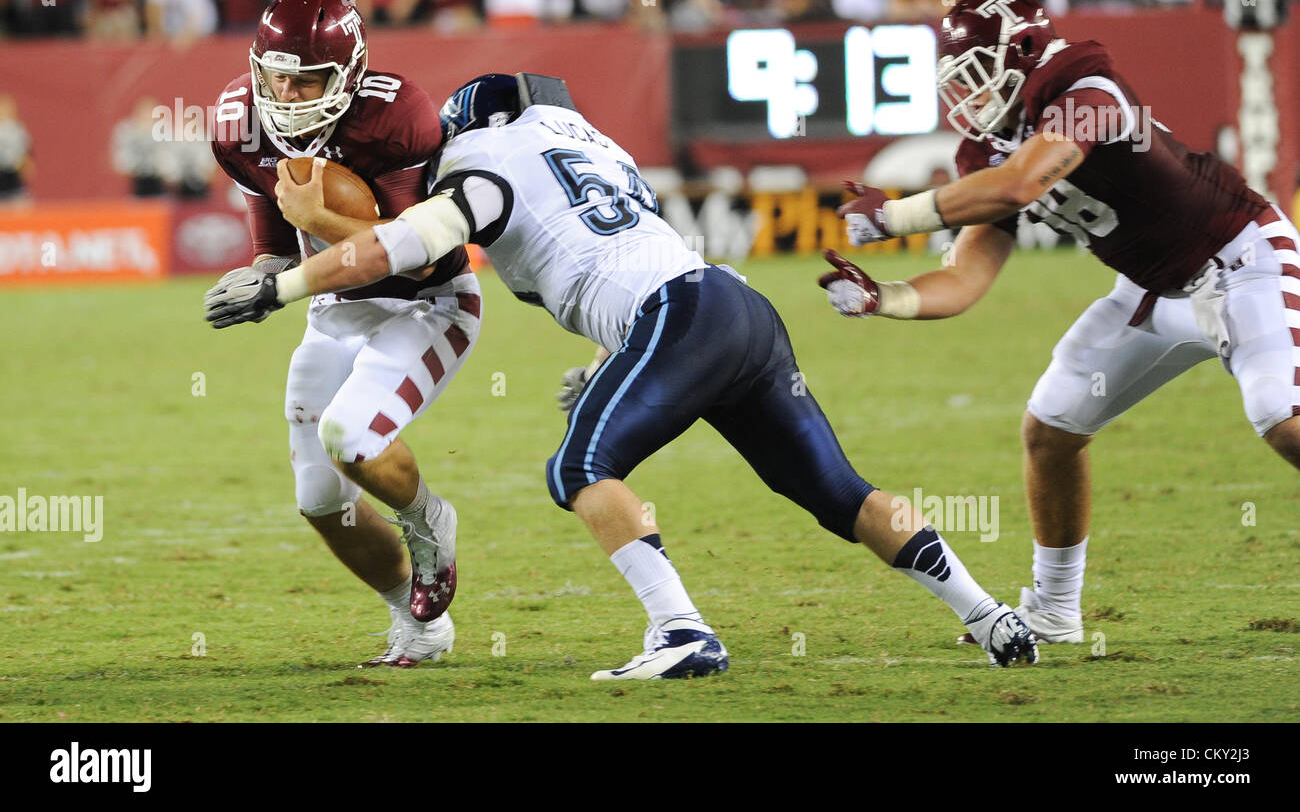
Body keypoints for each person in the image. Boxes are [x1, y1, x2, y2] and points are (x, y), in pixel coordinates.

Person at [204, 71, 1039, 677]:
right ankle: (990, 613)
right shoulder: (597, 150)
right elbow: (619, 254)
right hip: (738, 312)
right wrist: (615, 353)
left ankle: (680, 630)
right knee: (837, 492)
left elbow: (397, 246)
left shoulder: (479, 166)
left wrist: (276, 283)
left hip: (676, 318)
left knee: (578, 468)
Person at [818, 0, 1296, 646]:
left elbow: (1024, 182)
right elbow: (965, 277)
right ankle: (1052, 609)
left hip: (1240, 257)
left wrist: (893, 216)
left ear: (1020, 50)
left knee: (1281, 418)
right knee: (1051, 428)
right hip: (1155, 287)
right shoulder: (991, 146)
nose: (968, 96)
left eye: (976, 74)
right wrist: (886, 297)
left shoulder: (1088, 86)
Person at [207, 0, 481, 668]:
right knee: (319, 494)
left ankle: (427, 520)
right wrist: (261, 277)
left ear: (351, 72)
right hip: (334, 308)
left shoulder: (396, 116)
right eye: (277, 73)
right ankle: (417, 627)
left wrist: (318, 220)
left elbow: (419, 256)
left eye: (309, 79)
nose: (289, 92)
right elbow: (271, 235)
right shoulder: (241, 118)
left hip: (428, 305)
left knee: (351, 435)